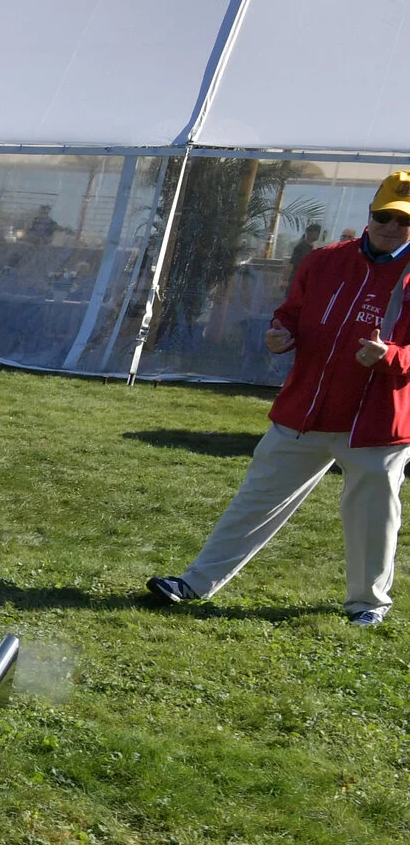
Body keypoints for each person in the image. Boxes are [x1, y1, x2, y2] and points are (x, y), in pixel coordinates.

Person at [148, 174, 410, 626]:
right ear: (369, 214)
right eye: (383, 216)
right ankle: (195, 583)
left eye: (403, 221)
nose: (391, 226)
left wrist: (392, 357)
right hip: (304, 411)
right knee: (255, 498)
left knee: (372, 515)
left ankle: (368, 603)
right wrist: (281, 334)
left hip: (375, 424)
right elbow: (291, 312)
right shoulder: (324, 261)